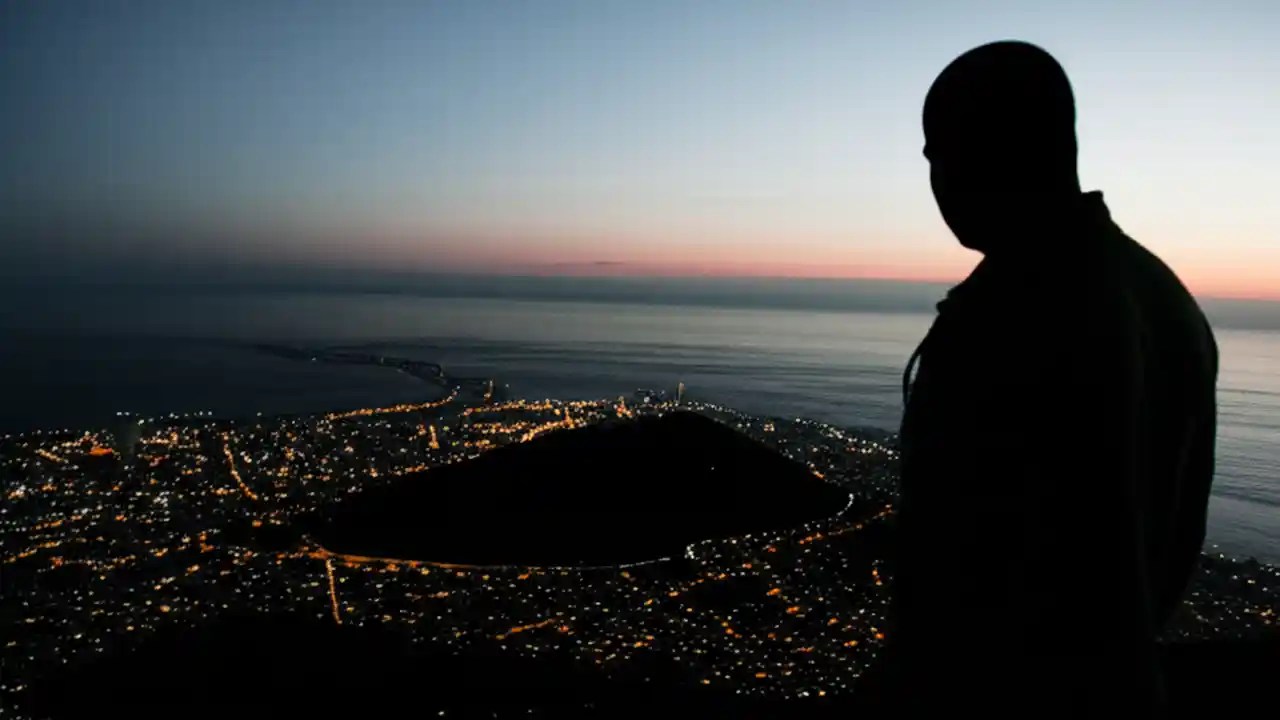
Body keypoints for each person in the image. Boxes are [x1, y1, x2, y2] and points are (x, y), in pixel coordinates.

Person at [889, 41, 1219, 713]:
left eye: (937, 151)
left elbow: (982, 562)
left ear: (996, 145)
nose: (937, 179)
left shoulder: (1020, 309)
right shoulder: (1157, 292)